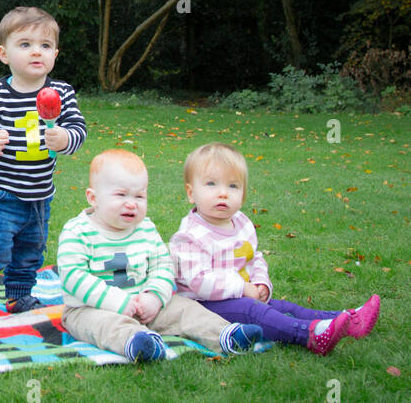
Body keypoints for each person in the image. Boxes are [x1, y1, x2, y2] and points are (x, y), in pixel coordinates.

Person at [169, 142, 380, 355]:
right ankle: (310, 335)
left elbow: (254, 258)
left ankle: (345, 319)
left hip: (241, 295)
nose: (223, 193)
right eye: (211, 184)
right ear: (191, 193)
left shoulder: (241, 223)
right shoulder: (190, 235)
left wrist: (261, 283)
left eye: (233, 186)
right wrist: (242, 288)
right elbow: (198, 281)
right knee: (253, 311)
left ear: (242, 195)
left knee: (285, 308)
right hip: (204, 306)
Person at [58, 149, 263, 362]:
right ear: (93, 198)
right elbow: (74, 277)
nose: (131, 203)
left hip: (143, 302)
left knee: (185, 309)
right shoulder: (78, 231)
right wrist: (116, 301)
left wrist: (155, 296)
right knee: (103, 325)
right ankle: (139, 343)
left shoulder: (145, 228)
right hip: (91, 308)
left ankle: (224, 335)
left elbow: (163, 265)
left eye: (139, 196)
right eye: (121, 195)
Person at [0, 6, 87, 320]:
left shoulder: (61, 93)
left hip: (38, 192)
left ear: (55, 54)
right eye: (25, 45)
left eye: (45, 46)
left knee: (31, 250)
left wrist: (65, 138)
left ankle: (19, 295)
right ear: (4, 54)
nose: (36, 52)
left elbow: (78, 129)